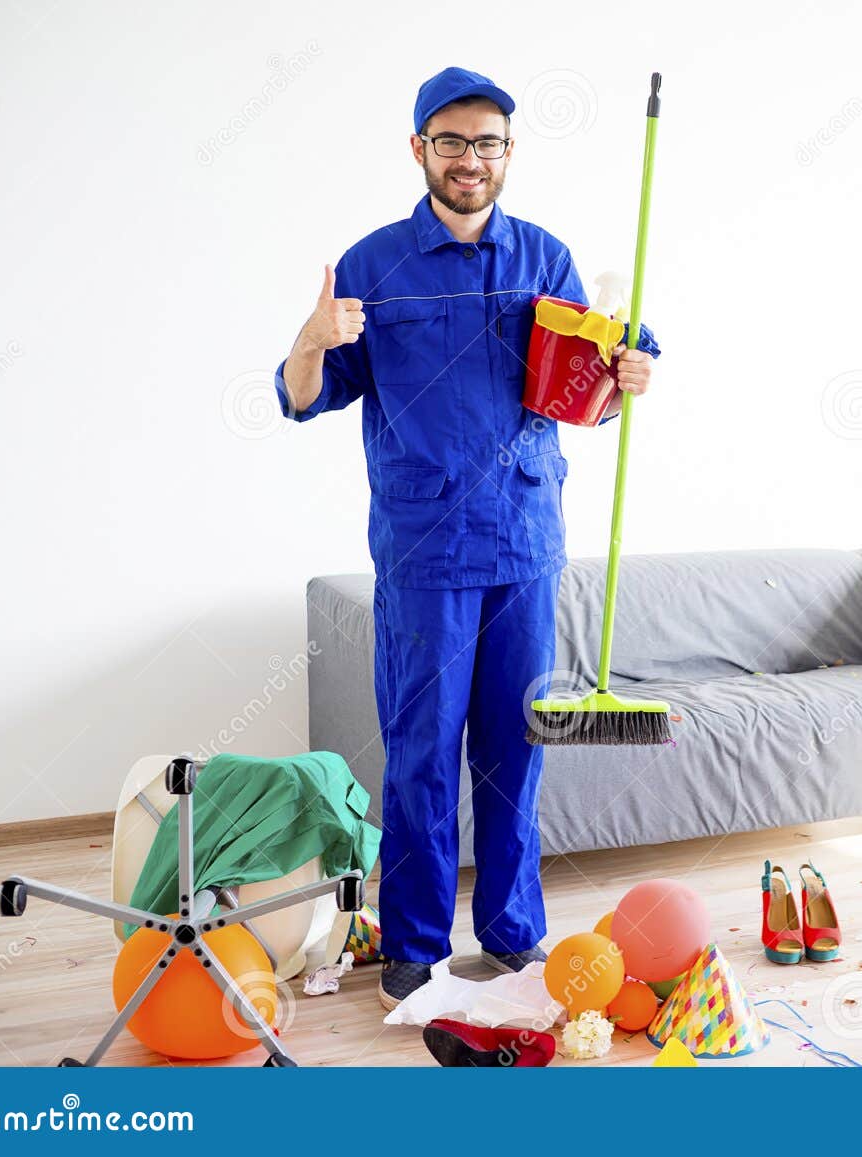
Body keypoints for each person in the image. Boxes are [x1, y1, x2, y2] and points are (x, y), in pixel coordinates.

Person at [275, 66, 660, 1010]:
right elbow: (295, 395)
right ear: (419, 150)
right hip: (424, 550)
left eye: (489, 143)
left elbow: (590, 394)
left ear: (509, 154)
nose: (471, 159)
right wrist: (314, 335)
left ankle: (513, 940)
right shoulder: (371, 265)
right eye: (452, 142)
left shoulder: (545, 258)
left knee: (514, 749)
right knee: (421, 750)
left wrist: (632, 369)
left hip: (527, 542)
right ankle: (411, 946)